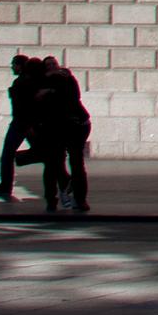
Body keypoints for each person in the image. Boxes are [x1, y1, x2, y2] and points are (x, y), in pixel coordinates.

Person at [26, 59, 93, 215]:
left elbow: (73, 97)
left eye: (53, 65)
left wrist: (50, 91)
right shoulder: (42, 81)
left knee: (76, 162)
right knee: (55, 164)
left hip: (74, 125)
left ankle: (79, 199)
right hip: (55, 127)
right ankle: (54, 199)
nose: (51, 68)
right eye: (47, 66)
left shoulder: (66, 78)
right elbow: (37, 102)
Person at [0, 55, 45, 202]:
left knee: (8, 154)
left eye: (14, 64)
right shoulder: (35, 81)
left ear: (20, 66)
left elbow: (23, 107)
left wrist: (28, 126)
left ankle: (5, 187)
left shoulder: (22, 82)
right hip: (29, 124)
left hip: (22, 124)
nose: (12, 67)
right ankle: (65, 180)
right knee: (45, 155)